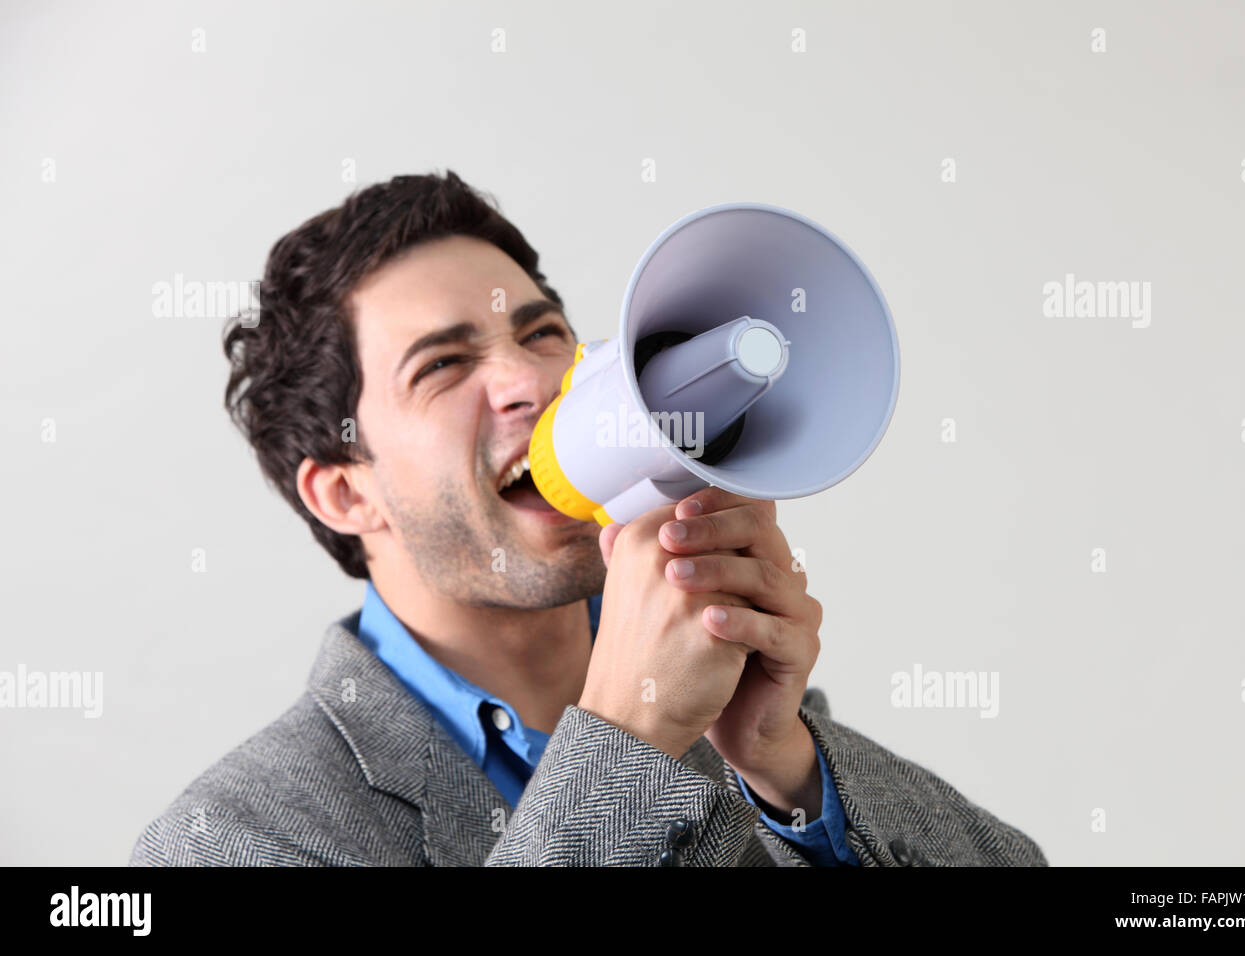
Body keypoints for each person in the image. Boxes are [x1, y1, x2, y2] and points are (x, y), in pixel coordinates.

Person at [129, 171, 1047, 867]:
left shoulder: (734, 715)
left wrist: (791, 768)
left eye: (541, 333)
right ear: (346, 491)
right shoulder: (239, 835)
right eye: (443, 366)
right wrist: (625, 745)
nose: (532, 380)